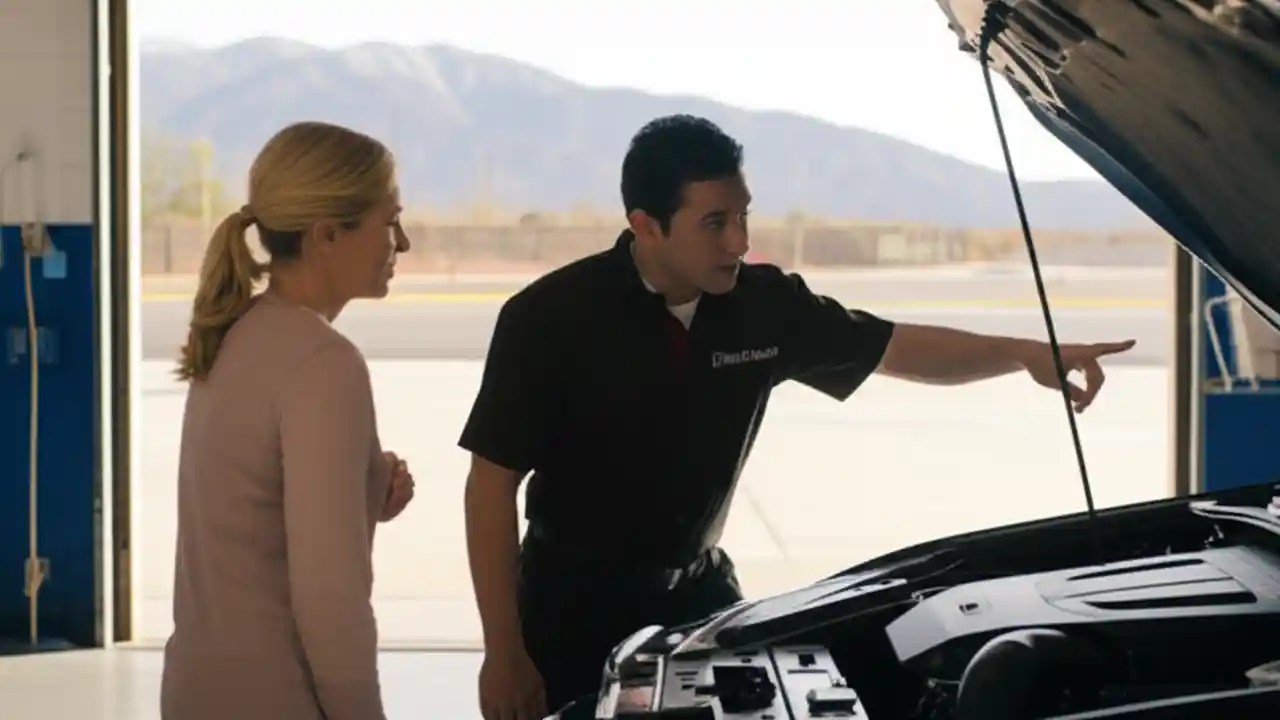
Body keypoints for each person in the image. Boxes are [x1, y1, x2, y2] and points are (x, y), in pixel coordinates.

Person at [459, 113, 1135, 719]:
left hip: (698, 599)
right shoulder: (547, 319)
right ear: (645, 225)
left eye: (743, 216)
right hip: (568, 607)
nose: (739, 242)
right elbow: (490, 487)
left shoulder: (765, 306)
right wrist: (504, 652)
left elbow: (897, 347)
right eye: (715, 223)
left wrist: (1023, 354)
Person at [160, 120, 415, 720]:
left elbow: (248, 512)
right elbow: (330, 600)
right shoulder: (323, 363)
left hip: (198, 689)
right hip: (276, 696)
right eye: (389, 222)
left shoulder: (238, 332)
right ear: (328, 235)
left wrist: (362, 490)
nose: (401, 244)